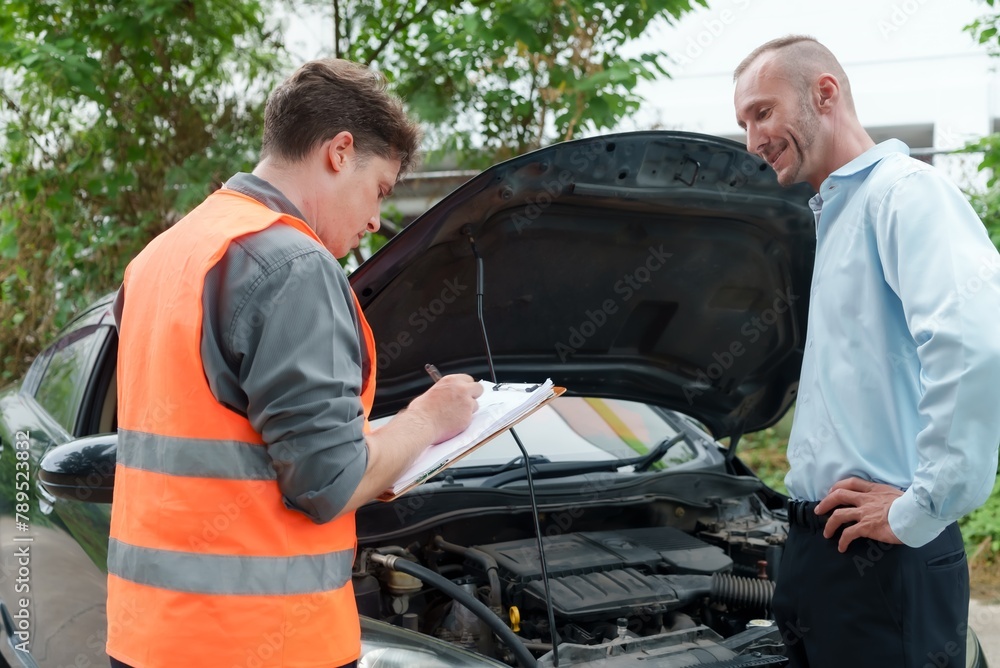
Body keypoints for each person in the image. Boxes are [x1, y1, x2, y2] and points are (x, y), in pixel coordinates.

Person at [106, 59, 483, 668]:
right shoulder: (290, 264)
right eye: (380, 190)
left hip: (149, 636)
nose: (373, 220)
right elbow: (328, 484)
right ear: (339, 151)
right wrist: (426, 422)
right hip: (263, 643)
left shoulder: (163, 254)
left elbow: (211, 431)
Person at [733, 36, 1000, 668]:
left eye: (762, 113)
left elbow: (975, 344)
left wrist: (921, 507)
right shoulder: (832, 213)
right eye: (743, 123)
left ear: (823, 93)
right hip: (815, 556)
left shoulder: (905, 194)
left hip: (887, 565)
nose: (751, 141)